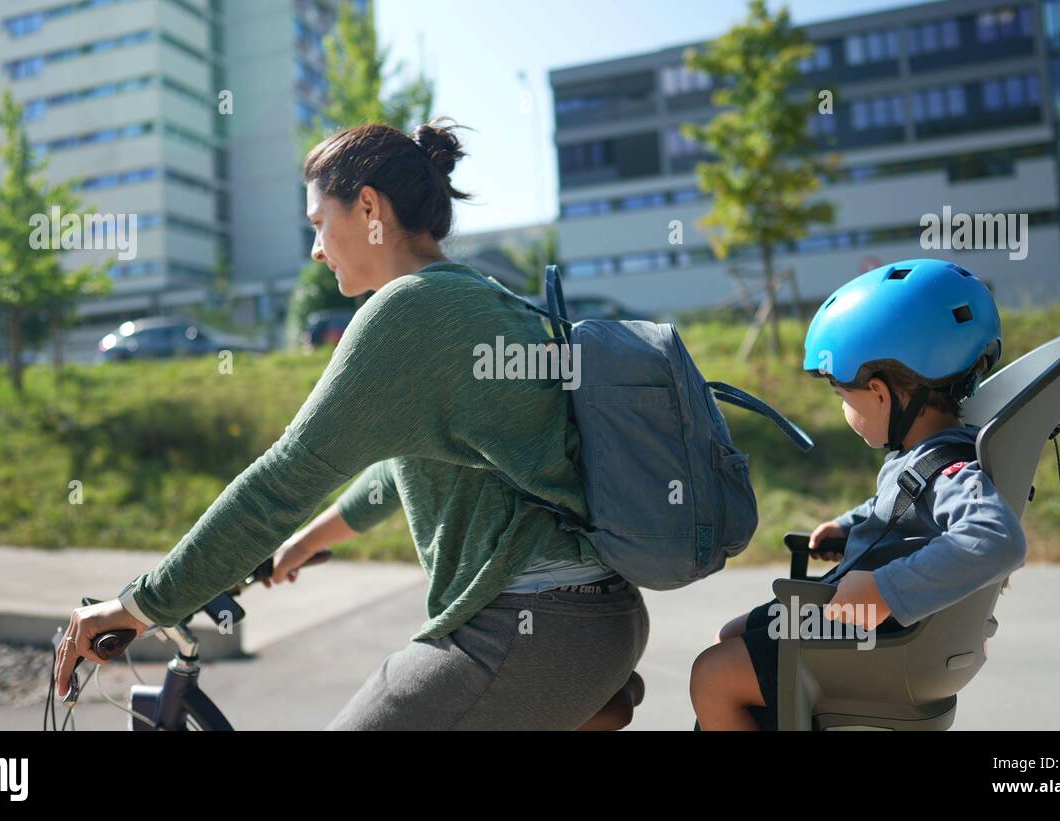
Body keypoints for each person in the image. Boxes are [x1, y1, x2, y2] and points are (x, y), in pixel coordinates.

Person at [53, 118, 648, 730]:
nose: (315, 249)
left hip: (531, 625)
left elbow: (284, 479)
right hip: (600, 615)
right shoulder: (478, 295)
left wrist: (137, 605)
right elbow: (402, 472)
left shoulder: (406, 309)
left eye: (317, 223)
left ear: (368, 208)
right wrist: (302, 544)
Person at [689, 259, 1027, 730]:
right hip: (868, 625)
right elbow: (900, 510)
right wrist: (849, 527)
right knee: (731, 635)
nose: (844, 409)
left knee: (712, 677)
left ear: (880, 392)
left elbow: (997, 539)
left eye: (842, 396)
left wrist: (886, 591)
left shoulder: (952, 469)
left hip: (882, 638)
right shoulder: (922, 458)